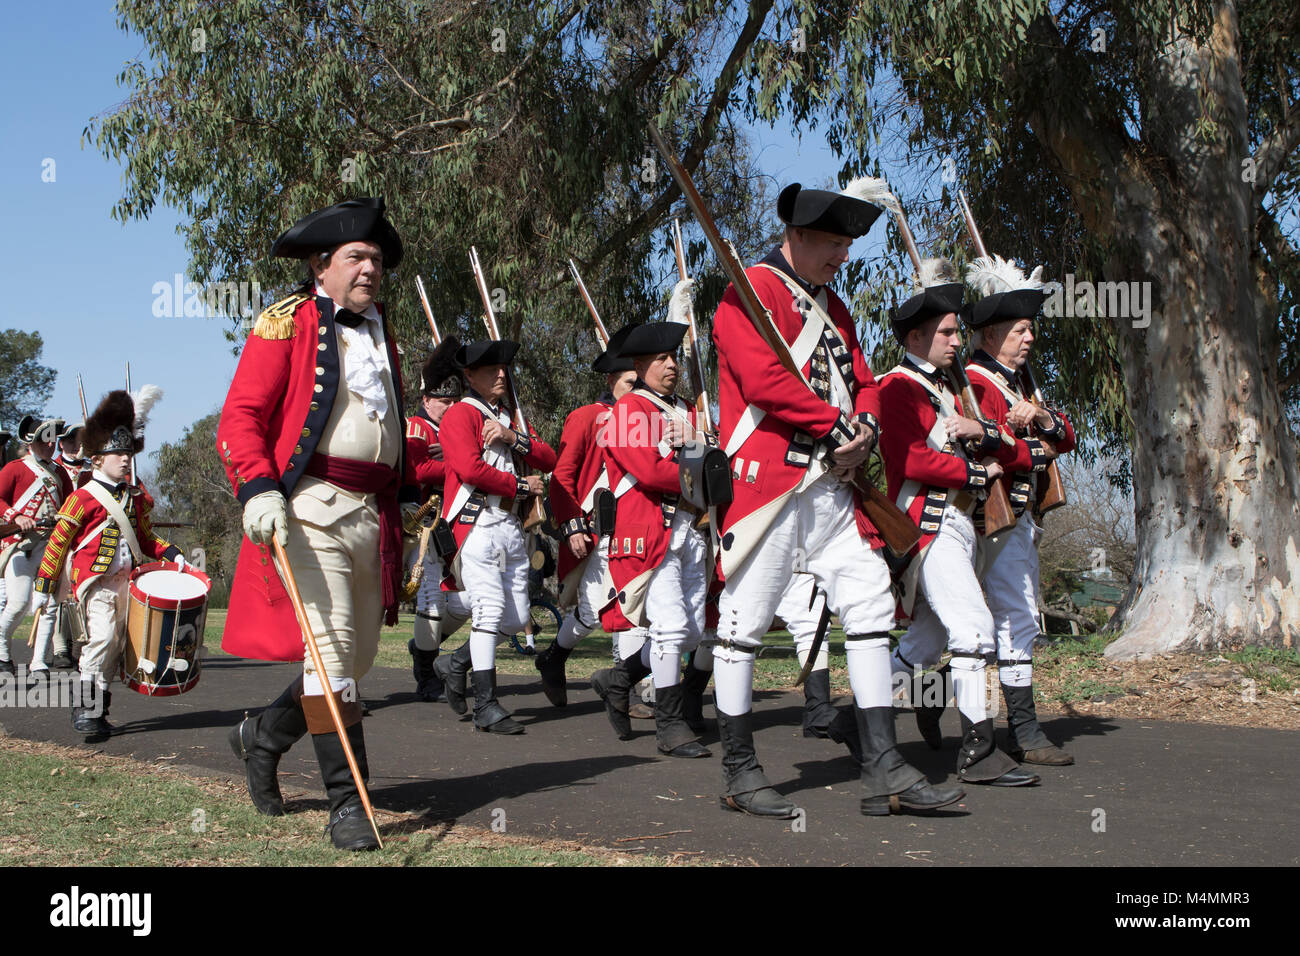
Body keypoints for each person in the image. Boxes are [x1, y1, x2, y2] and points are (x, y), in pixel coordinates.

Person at [709, 181, 963, 817]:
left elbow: (866, 380)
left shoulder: (837, 307)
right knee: (743, 623)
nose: (842, 256)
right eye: (833, 244)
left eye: (847, 245)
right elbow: (762, 380)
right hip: (769, 488)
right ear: (797, 236)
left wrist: (867, 429)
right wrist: (833, 424)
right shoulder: (749, 293)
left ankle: (883, 766)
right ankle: (739, 771)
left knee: (872, 605)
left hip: (835, 488)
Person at [219, 196, 418, 851]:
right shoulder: (288, 320)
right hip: (307, 509)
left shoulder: (382, 328)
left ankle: (264, 735)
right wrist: (256, 489)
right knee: (331, 654)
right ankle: (349, 807)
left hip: (370, 514)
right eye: (357, 258)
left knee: (351, 660)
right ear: (320, 265)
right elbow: (241, 416)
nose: (370, 270)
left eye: (377, 261)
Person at [877, 258, 1038, 788]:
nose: (955, 339)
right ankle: (978, 748)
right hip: (928, 521)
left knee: (926, 640)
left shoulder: (947, 388)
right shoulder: (898, 387)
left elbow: (1016, 451)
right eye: (945, 332)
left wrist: (989, 446)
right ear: (917, 336)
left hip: (957, 523)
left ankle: (852, 717)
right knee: (973, 628)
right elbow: (909, 462)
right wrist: (975, 470)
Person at [963, 254, 1075, 765]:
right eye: (1018, 330)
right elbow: (985, 445)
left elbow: (1067, 436)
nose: (1028, 338)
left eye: (1030, 329)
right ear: (990, 334)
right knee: (1012, 617)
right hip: (992, 516)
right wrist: (1026, 440)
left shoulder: (1024, 382)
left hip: (1023, 517)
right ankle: (1024, 733)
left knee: (1007, 618)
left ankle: (943, 694)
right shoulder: (975, 382)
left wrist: (1041, 417)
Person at [32, 390, 183, 735]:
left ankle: (98, 710)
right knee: (100, 640)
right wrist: (44, 586)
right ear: (98, 459)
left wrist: (170, 552)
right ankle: (85, 709)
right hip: (95, 584)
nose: (126, 459)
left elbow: (145, 538)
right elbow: (58, 542)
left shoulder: (133, 499)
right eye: (118, 453)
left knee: (116, 646)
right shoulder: (82, 497)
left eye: (128, 453)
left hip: (126, 583)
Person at [596, 322, 711, 758]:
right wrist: (700, 463)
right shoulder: (629, 410)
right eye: (661, 359)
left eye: (673, 358)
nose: (671, 366)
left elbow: (712, 459)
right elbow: (649, 471)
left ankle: (618, 679)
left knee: (692, 631)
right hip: (650, 530)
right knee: (671, 628)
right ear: (639, 365)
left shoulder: (687, 409)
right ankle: (670, 723)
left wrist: (700, 444)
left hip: (689, 529)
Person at [433, 339, 556, 734]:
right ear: (469, 376)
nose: (501, 374)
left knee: (517, 616)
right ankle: (486, 704)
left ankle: (456, 663)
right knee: (488, 611)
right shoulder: (459, 416)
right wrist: (521, 486)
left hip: (510, 526)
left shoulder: (508, 418)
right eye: (491, 369)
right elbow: (470, 470)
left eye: (503, 367)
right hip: (478, 522)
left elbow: (548, 458)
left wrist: (511, 436)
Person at [533, 325, 641, 708]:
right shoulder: (585, 417)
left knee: (633, 605)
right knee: (594, 613)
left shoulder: (648, 418)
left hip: (639, 527)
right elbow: (562, 476)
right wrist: (572, 525)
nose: (637, 388)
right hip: (598, 526)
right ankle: (555, 657)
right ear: (611, 380)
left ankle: (628, 689)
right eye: (631, 382)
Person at [404, 335, 463, 702]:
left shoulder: (455, 429)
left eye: (454, 399)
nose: (450, 405)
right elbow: (417, 469)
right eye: (443, 399)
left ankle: (424, 647)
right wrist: (455, 464)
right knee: (428, 600)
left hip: (450, 527)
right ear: (427, 400)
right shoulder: (418, 427)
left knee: (462, 602)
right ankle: (427, 675)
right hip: (420, 525)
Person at [0, 415, 74, 677]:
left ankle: (39, 662)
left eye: (53, 441)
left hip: (51, 545)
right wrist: (16, 517)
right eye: (45, 441)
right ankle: (2, 651)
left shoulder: (60, 472)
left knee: (51, 605)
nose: (51, 446)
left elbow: (68, 505)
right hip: (20, 544)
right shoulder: (15, 469)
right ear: (32, 443)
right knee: (18, 603)